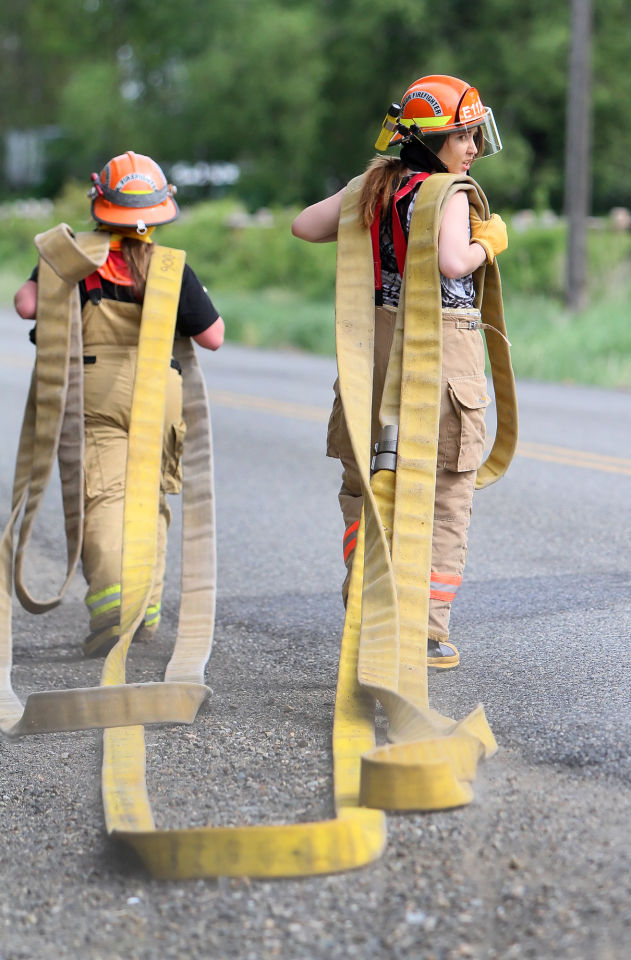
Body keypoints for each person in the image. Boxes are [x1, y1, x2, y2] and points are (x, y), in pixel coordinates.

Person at [292, 75, 509, 670]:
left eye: (473, 134)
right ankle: (426, 632)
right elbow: (451, 261)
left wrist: (360, 198)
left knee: (369, 486)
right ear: (430, 141)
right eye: (461, 135)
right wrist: (488, 241)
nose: (471, 147)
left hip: (375, 349)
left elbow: (304, 226)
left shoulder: (375, 187)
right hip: (441, 351)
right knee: (443, 493)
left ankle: (366, 617)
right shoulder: (451, 194)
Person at [14, 150, 225, 657]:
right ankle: (145, 611)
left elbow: (25, 306)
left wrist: (48, 272)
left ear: (99, 200)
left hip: (95, 390)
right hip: (160, 391)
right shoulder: (171, 266)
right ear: (160, 207)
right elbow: (213, 336)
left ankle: (113, 611)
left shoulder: (76, 257)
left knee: (105, 499)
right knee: (150, 500)